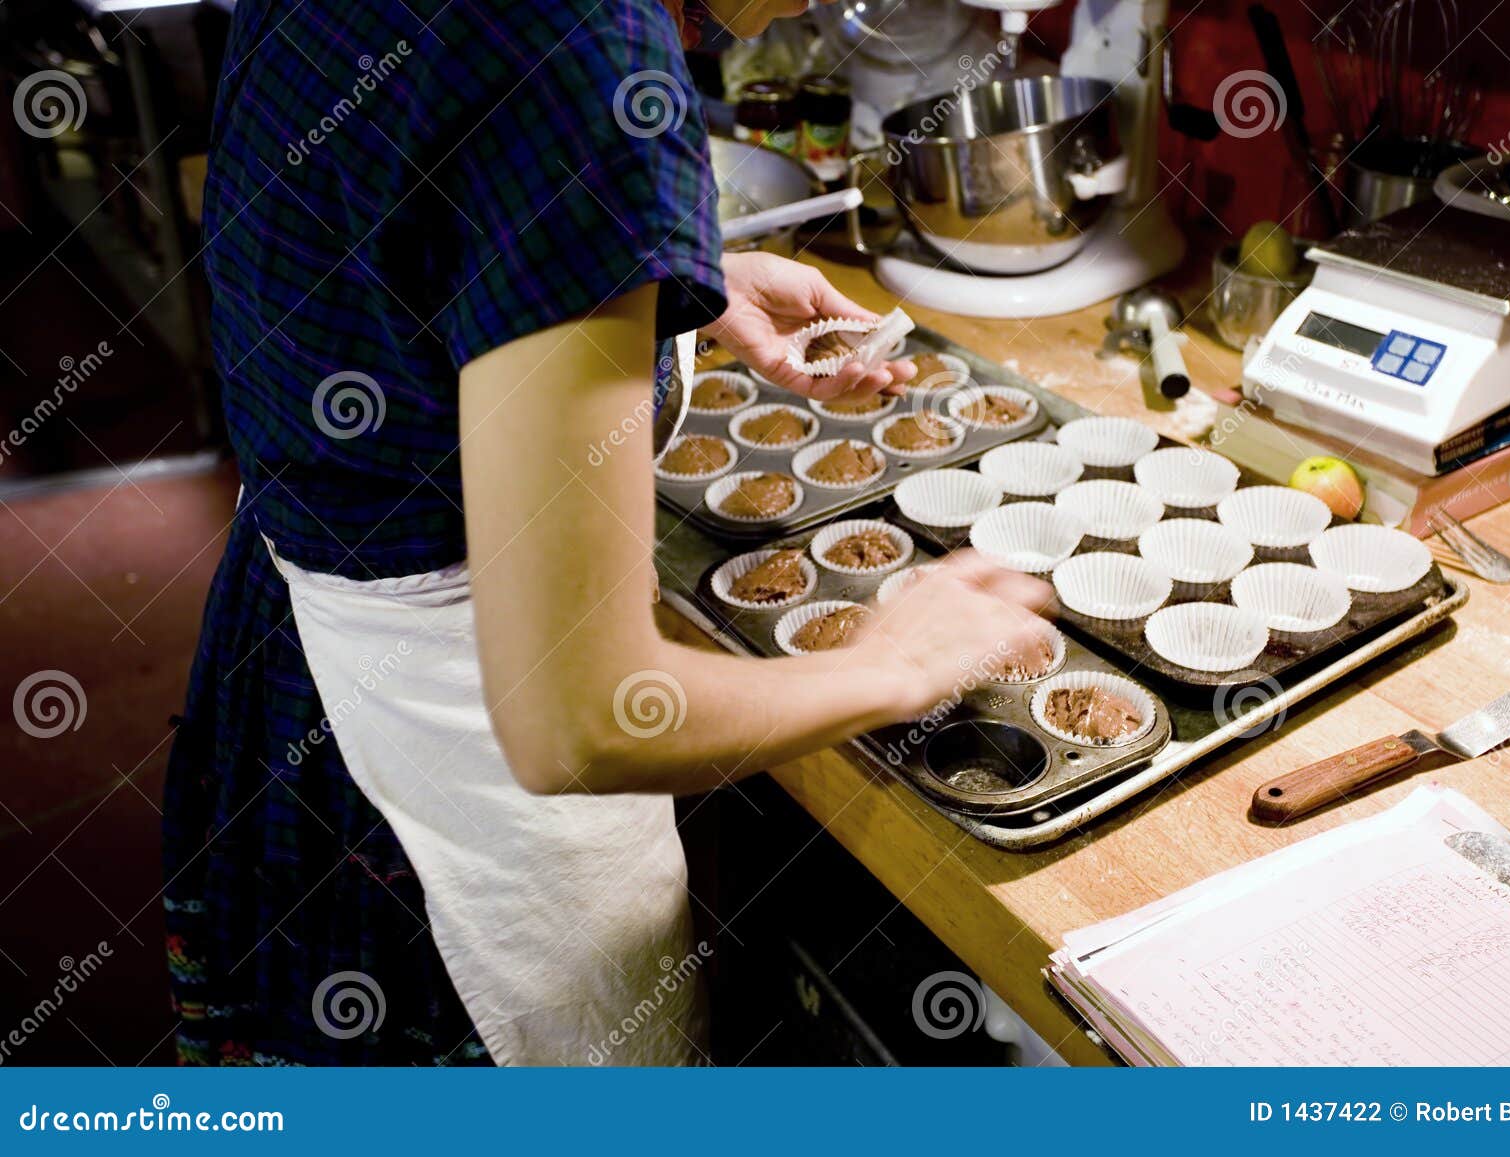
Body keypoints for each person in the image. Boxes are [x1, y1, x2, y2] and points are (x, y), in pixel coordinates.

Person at [163, 0, 1052, 1066]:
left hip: (292, 674)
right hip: (447, 791)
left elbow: (390, 197)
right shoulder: (584, 49)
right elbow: (577, 718)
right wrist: (900, 662)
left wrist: (641, 272)